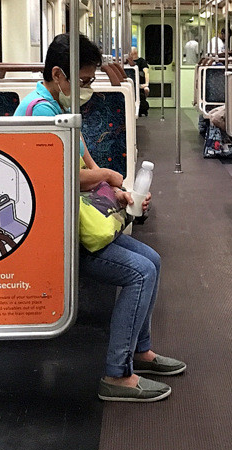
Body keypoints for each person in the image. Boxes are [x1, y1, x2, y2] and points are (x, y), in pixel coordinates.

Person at [16, 33, 185, 403]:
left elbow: (86, 163)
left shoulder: (60, 110)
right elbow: (58, 177)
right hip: (53, 230)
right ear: (58, 74)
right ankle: (117, 374)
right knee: (139, 273)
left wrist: (120, 194)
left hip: (75, 218)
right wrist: (109, 177)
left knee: (152, 260)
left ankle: (141, 351)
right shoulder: (38, 113)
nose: (88, 88)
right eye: (84, 81)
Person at [128, 46, 150, 117]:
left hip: (139, 83)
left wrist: (146, 83)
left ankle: (142, 105)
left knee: (146, 89)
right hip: (131, 83)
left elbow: (146, 72)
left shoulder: (142, 61)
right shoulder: (126, 62)